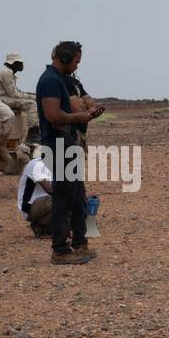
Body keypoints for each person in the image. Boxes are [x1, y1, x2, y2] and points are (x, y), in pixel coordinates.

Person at [37, 41, 102, 265]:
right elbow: (53, 116)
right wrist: (80, 117)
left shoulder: (63, 81)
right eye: (75, 61)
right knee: (64, 198)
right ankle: (60, 250)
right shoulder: (50, 82)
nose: (76, 66)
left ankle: (79, 244)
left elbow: (80, 101)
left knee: (76, 197)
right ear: (64, 59)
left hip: (67, 144)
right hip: (57, 145)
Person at [0, 51, 40, 138]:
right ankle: (33, 132)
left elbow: (17, 92)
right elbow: (15, 94)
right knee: (32, 104)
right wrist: (35, 97)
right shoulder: (6, 72)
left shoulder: (10, 74)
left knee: (33, 100)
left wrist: (35, 96)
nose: (22, 65)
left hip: (3, 98)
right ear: (12, 63)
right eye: (19, 63)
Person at [16, 150, 54, 237]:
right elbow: (49, 189)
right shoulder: (36, 165)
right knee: (63, 200)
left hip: (45, 202)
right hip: (30, 206)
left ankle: (50, 226)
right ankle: (40, 224)